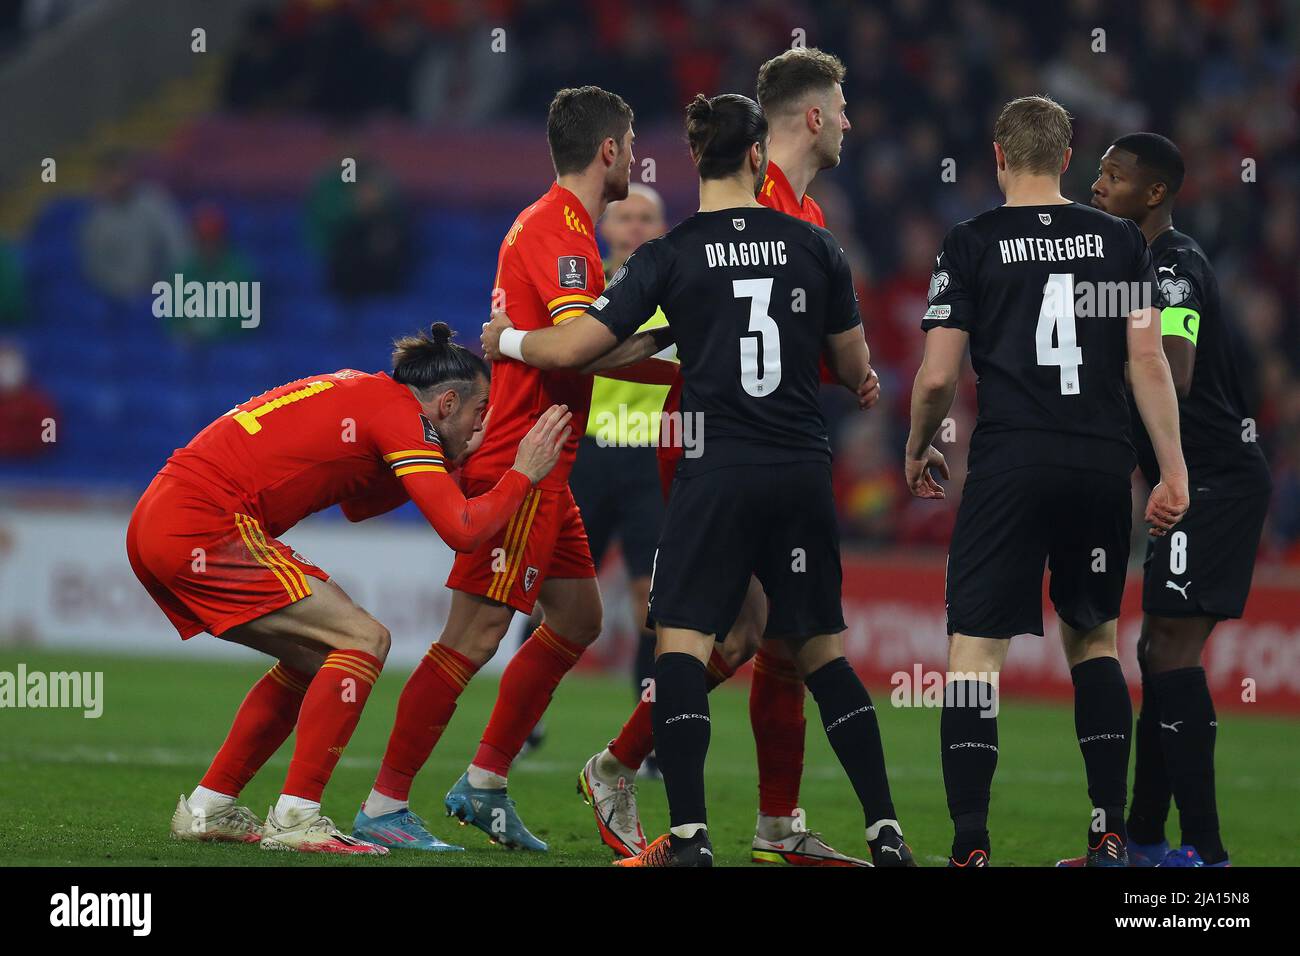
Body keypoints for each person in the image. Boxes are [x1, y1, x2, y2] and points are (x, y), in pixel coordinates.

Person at [483, 92, 912, 869]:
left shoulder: (673, 253)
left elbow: (583, 346)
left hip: (711, 464)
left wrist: (507, 336)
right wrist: (862, 379)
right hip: (799, 467)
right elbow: (853, 367)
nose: (849, 120)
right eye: (842, 109)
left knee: (694, 643)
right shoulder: (818, 245)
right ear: (761, 152)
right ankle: (885, 833)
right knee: (817, 651)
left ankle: (687, 835)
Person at [579, 46, 872, 867]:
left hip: (761, 444)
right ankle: (629, 771)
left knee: (759, 641)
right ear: (811, 117)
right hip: (723, 445)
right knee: (751, 633)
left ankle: (759, 816)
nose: (850, 121)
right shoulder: (761, 210)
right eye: (842, 107)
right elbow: (693, 327)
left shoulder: (801, 216)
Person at [355, 86, 665, 853]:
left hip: (549, 457)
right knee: (476, 633)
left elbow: (585, 344)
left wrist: (660, 339)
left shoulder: (551, 225)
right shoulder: (562, 231)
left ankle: (485, 782)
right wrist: (678, 329)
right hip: (521, 457)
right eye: (627, 145)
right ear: (607, 152)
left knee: (579, 619)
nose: (632, 158)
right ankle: (384, 802)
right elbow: (583, 346)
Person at [126, 323, 570, 854]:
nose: (481, 428)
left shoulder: (369, 393)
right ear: (447, 402)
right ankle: (297, 816)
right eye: (478, 413)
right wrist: (522, 473)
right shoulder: (401, 417)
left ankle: (210, 805)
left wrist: (448, 461)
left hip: (160, 518)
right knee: (363, 639)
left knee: (314, 656)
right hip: (203, 523)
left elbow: (358, 505)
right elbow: (465, 530)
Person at [904, 95, 1189, 867]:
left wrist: (918, 443)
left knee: (973, 656)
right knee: (1095, 639)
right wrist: (1171, 470)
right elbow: (1149, 361)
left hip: (1011, 461)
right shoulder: (1121, 241)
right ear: (1068, 159)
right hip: (1099, 462)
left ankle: (970, 846)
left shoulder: (971, 241)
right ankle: (1106, 832)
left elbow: (936, 375)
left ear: (999, 156)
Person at [1075, 132, 1271, 868]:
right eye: (1098, 172)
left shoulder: (1174, 266)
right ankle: (1149, 840)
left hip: (1213, 478)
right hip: (1188, 477)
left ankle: (1207, 853)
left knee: (1172, 650)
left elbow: (1178, 373)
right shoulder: (1136, 267)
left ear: (1154, 193)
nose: (1099, 184)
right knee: (1158, 649)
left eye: (1115, 176)